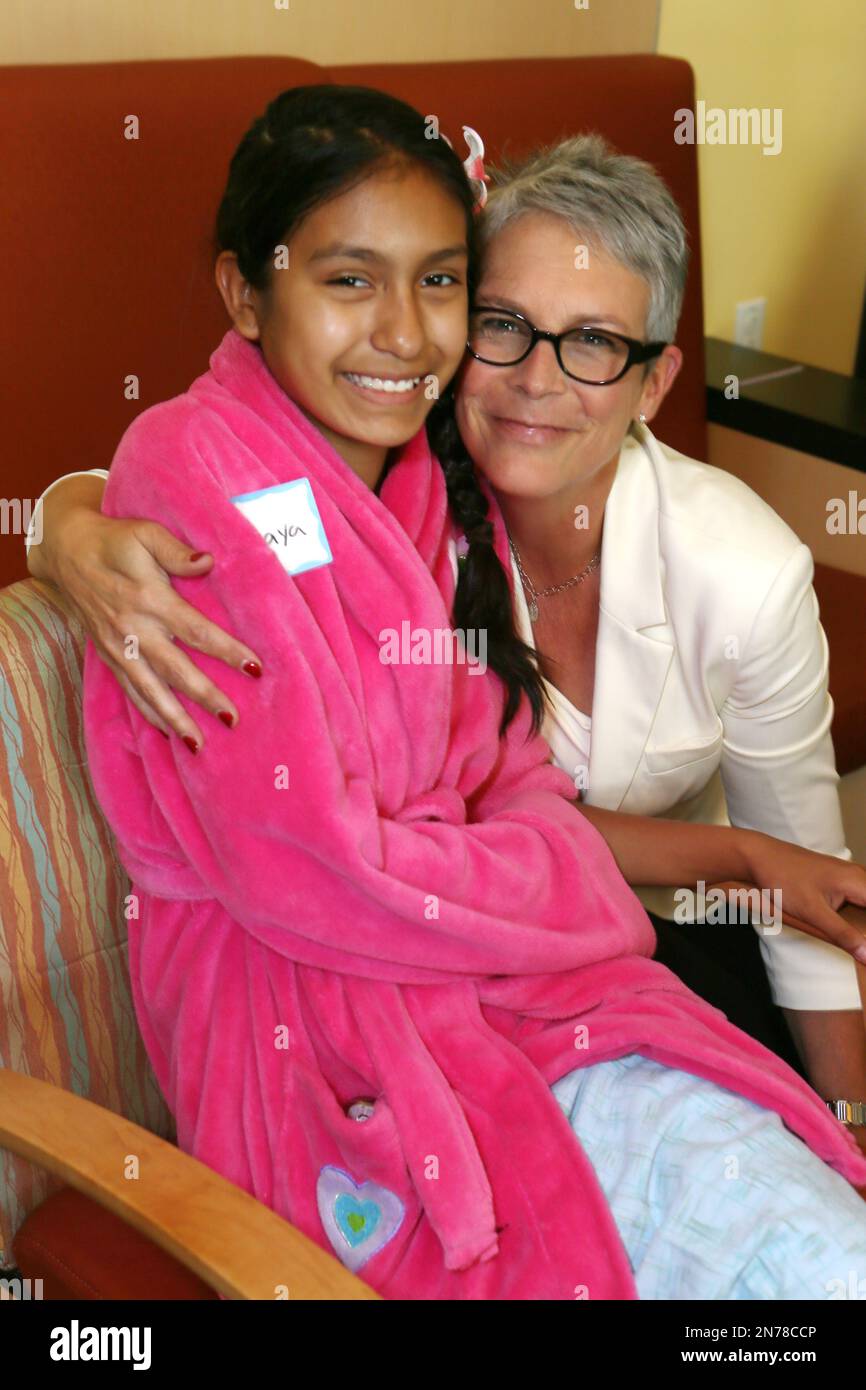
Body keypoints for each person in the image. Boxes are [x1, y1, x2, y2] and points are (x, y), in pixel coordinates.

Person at [26, 84, 866, 1299]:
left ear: (651, 377)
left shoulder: (459, 490)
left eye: (435, 284)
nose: (524, 376)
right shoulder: (335, 459)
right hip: (341, 1003)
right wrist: (64, 520)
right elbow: (315, 855)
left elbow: (517, 777)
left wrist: (845, 1115)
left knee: (798, 1230)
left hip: (551, 954)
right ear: (244, 291)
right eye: (502, 322)